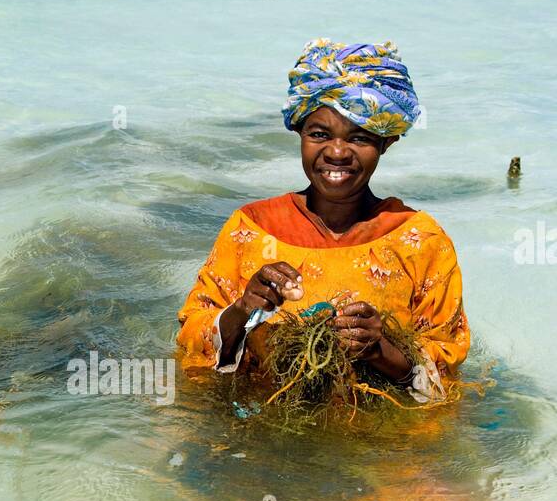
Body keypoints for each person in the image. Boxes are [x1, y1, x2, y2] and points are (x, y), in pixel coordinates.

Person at [177, 39, 469, 400]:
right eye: (319, 134)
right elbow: (192, 337)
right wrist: (241, 309)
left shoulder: (420, 239)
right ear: (300, 132)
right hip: (264, 433)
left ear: (386, 142)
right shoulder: (250, 228)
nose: (337, 152)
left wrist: (379, 350)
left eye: (360, 138)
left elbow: (447, 365)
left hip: (379, 444)